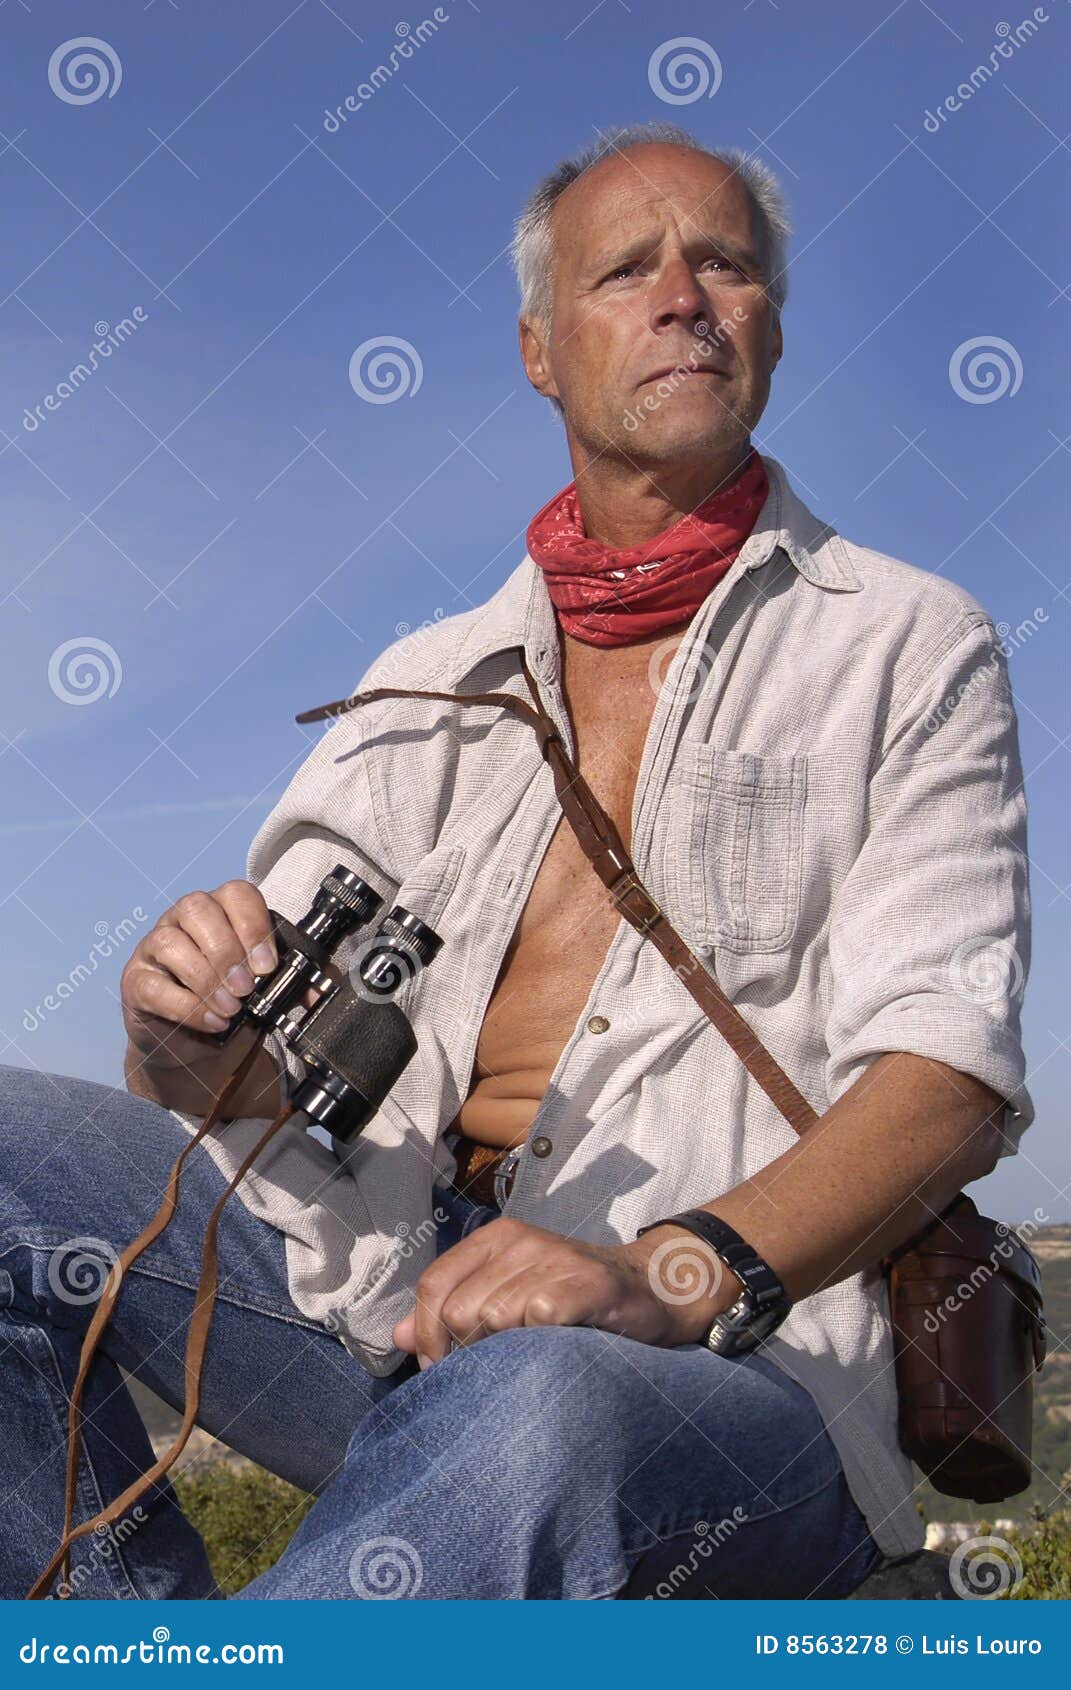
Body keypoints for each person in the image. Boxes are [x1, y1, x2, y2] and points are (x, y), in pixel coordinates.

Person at [0, 122, 1031, 1601]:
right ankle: (126, 1628)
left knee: (539, 1394)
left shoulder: (909, 641)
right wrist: (178, 1027)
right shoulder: (417, 683)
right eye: (627, 269)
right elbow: (248, 1082)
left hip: (733, 1371)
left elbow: (949, 1072)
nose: (683, 293)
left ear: (774, 327)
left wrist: (661, 1273)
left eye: (724, 263)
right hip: (383, 1296)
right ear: (543, 350)